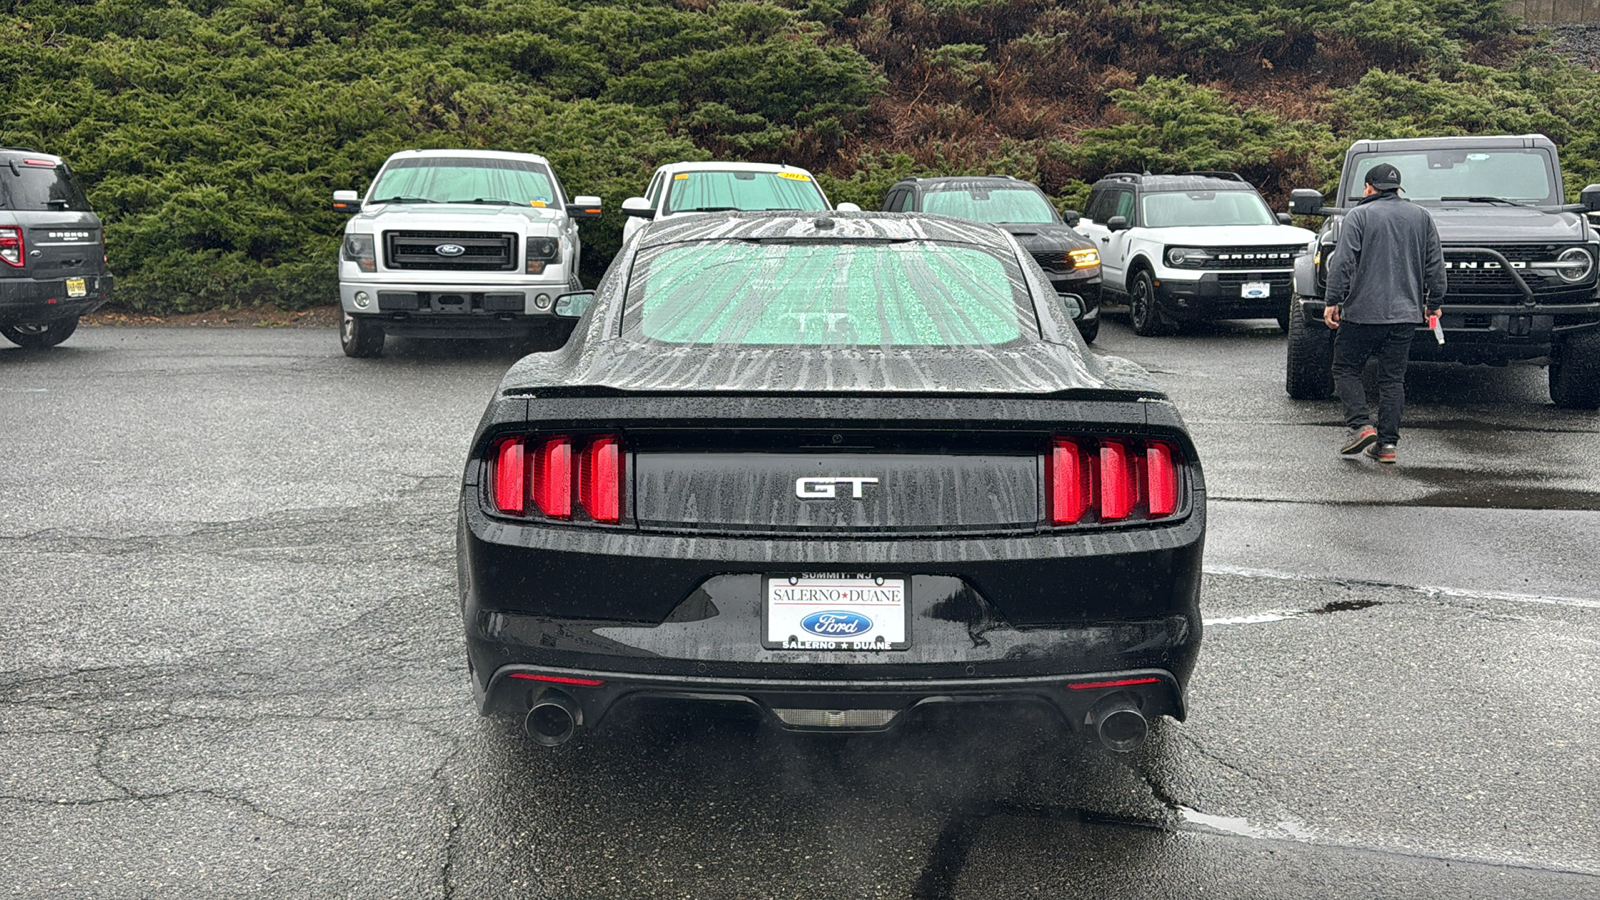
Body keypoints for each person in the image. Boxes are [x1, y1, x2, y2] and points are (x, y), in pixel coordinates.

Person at [1323, 163, 1446, 465]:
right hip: (1405, 315)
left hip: (1362, 313)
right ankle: (1387, 445)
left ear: (1368, 187)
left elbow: (1343, 262)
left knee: (1346, 368)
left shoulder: (1359, 215)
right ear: (1397, 189)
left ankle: (1361, 426)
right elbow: (1435, 266)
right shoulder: (1421, 217)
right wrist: (1433, 303)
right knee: (1392, 379)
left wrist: (1333, 300)